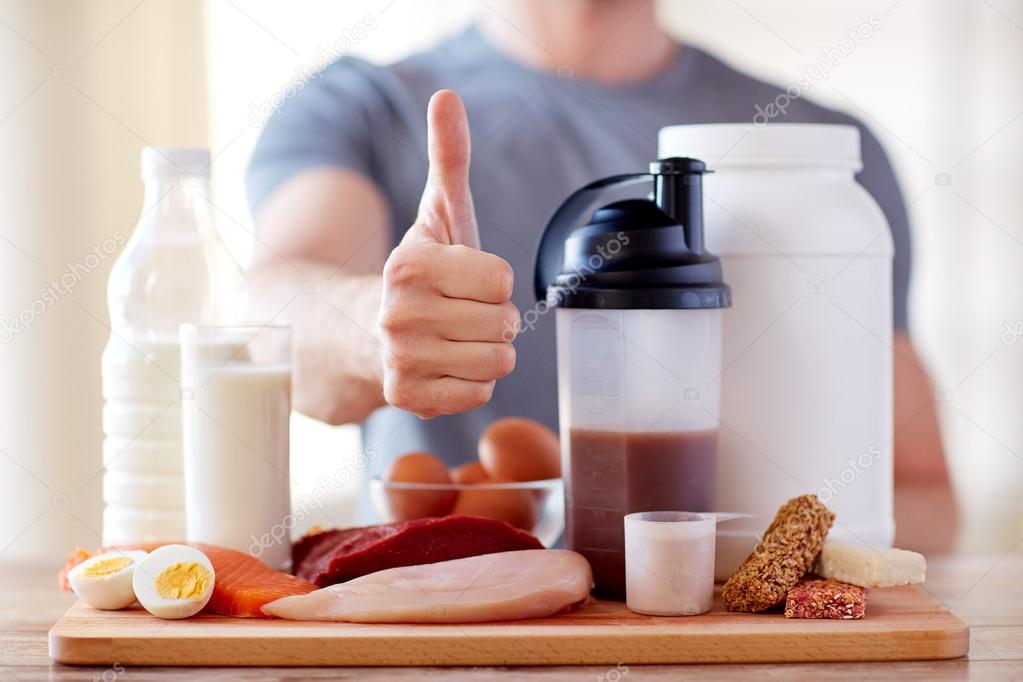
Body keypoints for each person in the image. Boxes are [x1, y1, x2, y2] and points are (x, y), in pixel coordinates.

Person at [245, 0, 954, 550]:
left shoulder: (816, 156)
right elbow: (274, 321)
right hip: (445, 625)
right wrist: (378, 328)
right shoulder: (366, 109)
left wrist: (742, 565)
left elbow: (921, 496)